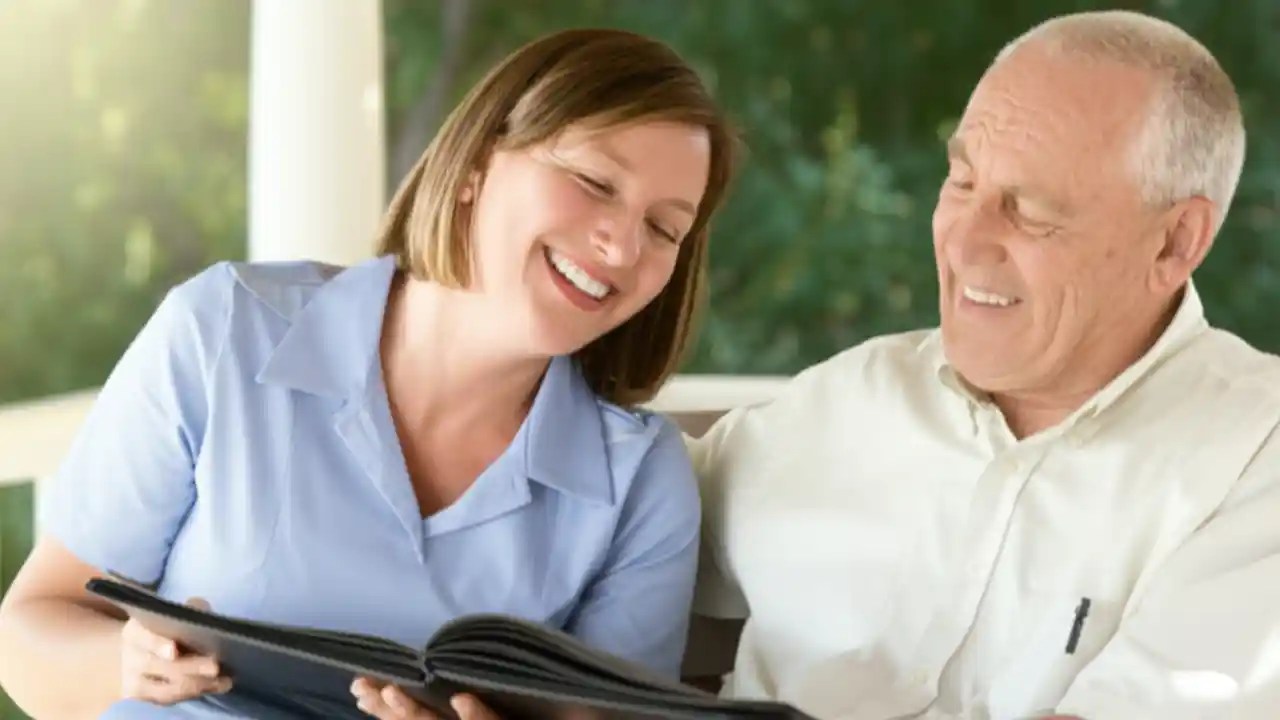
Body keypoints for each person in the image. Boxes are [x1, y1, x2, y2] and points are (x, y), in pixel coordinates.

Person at [0, 28, 738, 720]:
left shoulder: (640, 481)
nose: (620, 243)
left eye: (664, 228)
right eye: (595, 182)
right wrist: (127, 665)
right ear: (477, 167)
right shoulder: (224, 330)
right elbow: (29, 629)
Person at [688, 10, 1280, 720]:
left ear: (1175, 243)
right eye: (961, 182)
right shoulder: (845, 399)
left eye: (1030, 210)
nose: (963, 243)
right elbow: (600, 517)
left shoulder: (1255, 453)